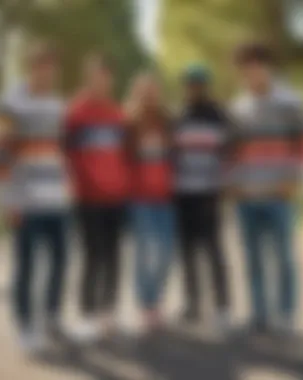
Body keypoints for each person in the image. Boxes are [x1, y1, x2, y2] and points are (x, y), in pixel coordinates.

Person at [0, 42, 70, 354]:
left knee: (61, 262)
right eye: (42, 66)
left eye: (52, 68)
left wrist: (68, 188)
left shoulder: (57, 106)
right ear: (31, 68)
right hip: (24, 201)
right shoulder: (8, 105)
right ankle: (25, 327)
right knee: (27, 267)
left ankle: (51, 317)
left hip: (56, 200)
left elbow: (59, 151)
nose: (48, 73)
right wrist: (7, 200)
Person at [231, 42, 303, 334]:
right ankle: (259, 314)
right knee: (253, 259)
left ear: (268, 67)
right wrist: (234, 184)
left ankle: (286, 315)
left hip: (280, 195)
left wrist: (296, 181)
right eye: (245, 69)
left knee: (282, 258)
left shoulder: (291, 102)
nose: (251, 73)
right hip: (247, 197)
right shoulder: (238, 107)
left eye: (256, 66)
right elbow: (235, 152)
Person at [64, 53, 129, 341]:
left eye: (105, 75)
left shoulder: (118, 114)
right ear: (87, 78)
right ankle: (88, 316)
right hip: (87, 198)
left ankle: (108, 314)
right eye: (95, 75)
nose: (100, 80)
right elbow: (65, 155)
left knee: (114, 257)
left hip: (116, 199)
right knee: (93, 257)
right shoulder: (75, 114)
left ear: (110, 79)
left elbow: (125, 155)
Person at [173, 64, 234, 328]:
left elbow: (230, 154)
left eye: (198, 83)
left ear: (205, 86)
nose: (193, 87)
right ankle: (192, 304)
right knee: (187, 253)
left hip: (209, 193)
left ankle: (222, 307)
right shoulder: (179, 116)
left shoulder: (219, 115)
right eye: (189, 83)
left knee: (213, 252)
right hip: (183, 194)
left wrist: (224, 186)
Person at [126, 73, 175, 331]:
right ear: (137, 94)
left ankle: (156, 298)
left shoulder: (169, 122)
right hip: (139, 200)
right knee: (144, 253)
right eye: (144, 91)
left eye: (154, 91)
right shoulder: (129, 124)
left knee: (166, 252)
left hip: (166, 199)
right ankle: (146, 305)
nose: (149, 96)